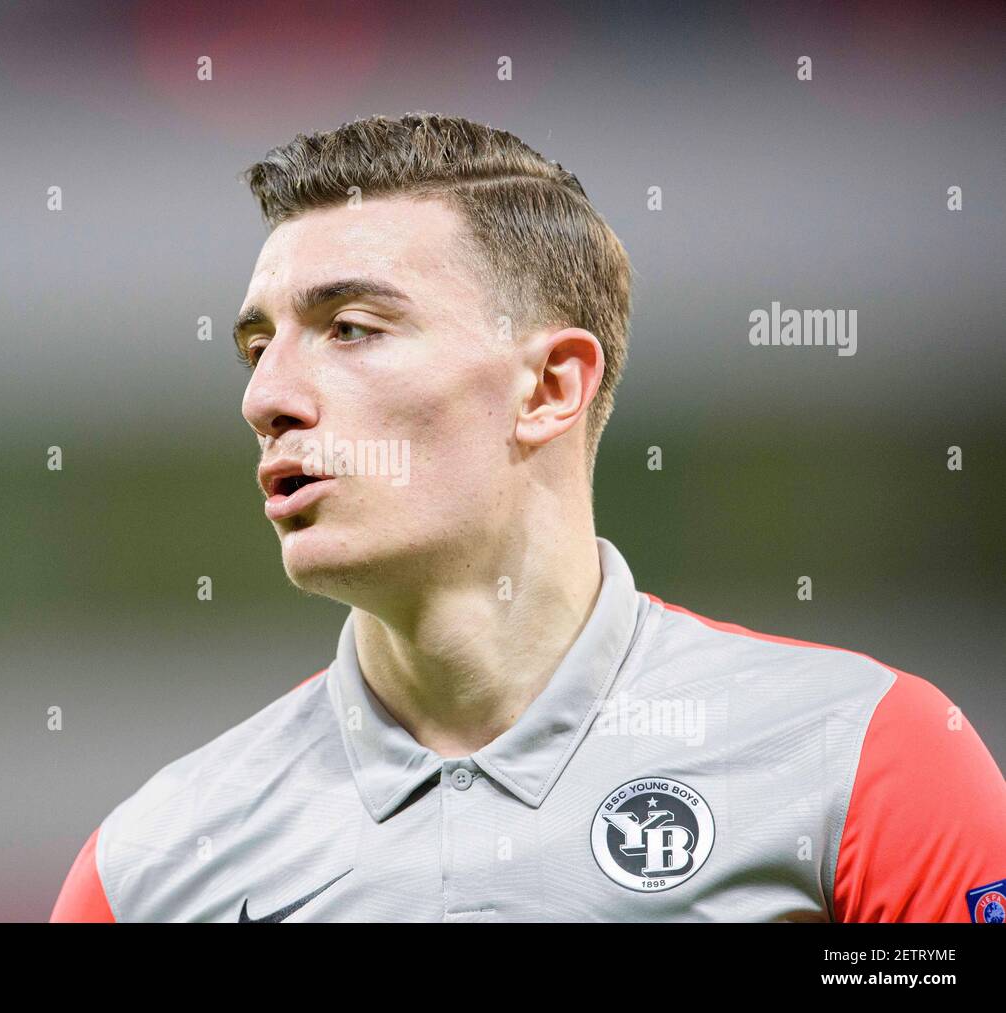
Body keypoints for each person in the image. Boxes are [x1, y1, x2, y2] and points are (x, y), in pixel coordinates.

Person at [51, 112, 1005, 922]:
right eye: (258, 345)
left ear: (550, 386)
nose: (266, 397)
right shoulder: (152, 867)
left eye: (350, 328)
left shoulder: (861, 760)